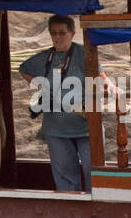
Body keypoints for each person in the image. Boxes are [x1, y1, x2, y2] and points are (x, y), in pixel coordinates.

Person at [19, 14, 117, 193]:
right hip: (56, 128)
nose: (57, 37)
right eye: (53, 33)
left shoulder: (83, 53)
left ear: (72, 33)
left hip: (86, 126)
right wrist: (39, 84)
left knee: (93, 171)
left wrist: (110, 86)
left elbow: (100, 75)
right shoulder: (44, 57)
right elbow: (23, 69)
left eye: (62, 33)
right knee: (64, 175)